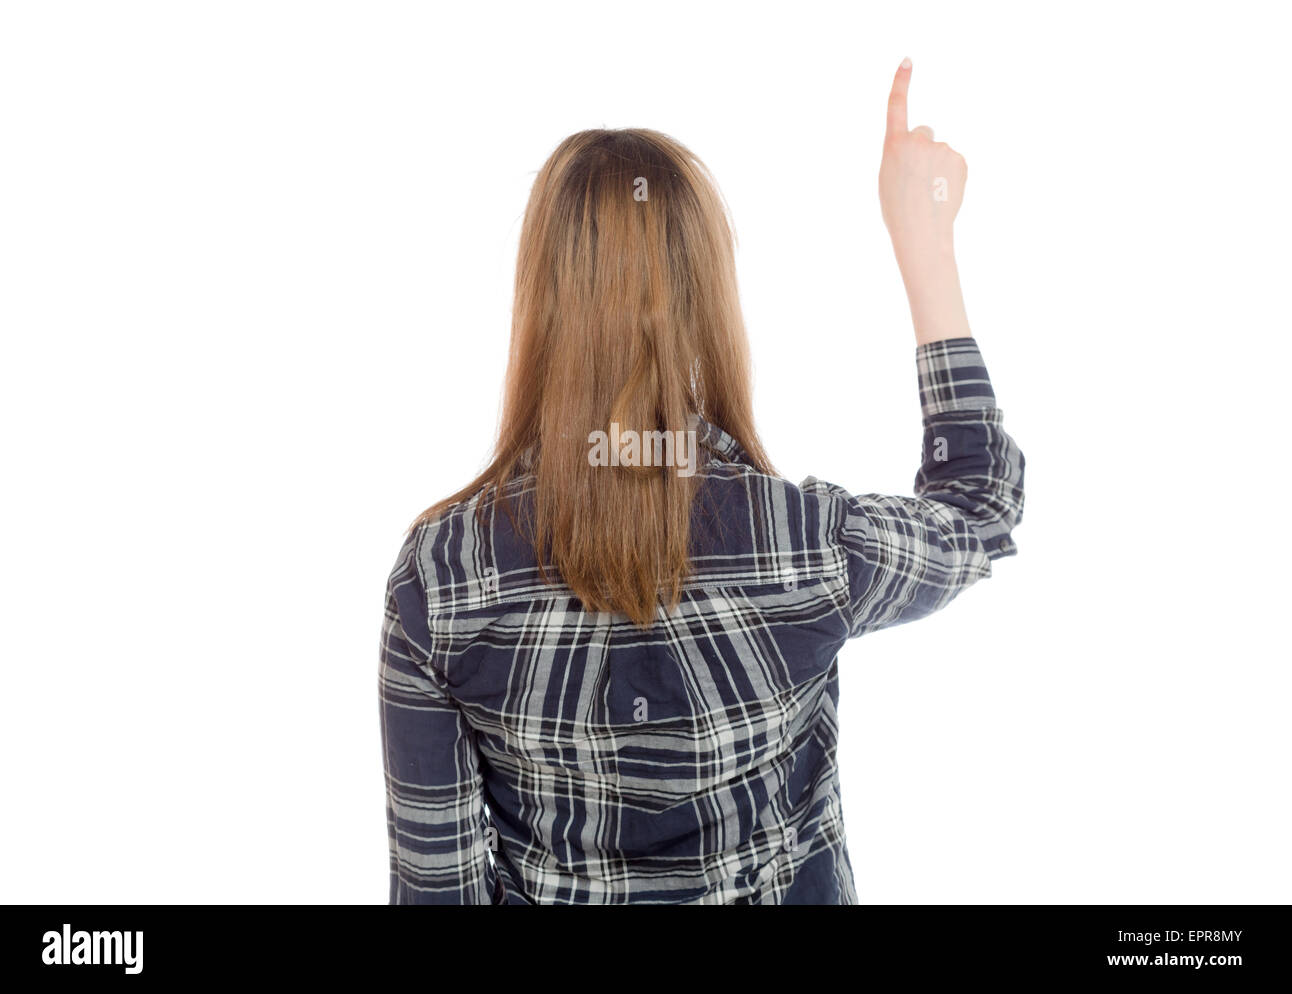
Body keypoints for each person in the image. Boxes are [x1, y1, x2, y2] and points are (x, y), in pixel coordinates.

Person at [378, 58, 1025, 904]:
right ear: (706, 298)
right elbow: (978, 508)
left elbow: (439, 891)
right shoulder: (803, 547)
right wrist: (924, 244)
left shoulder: (442, 579)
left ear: (540, 298)